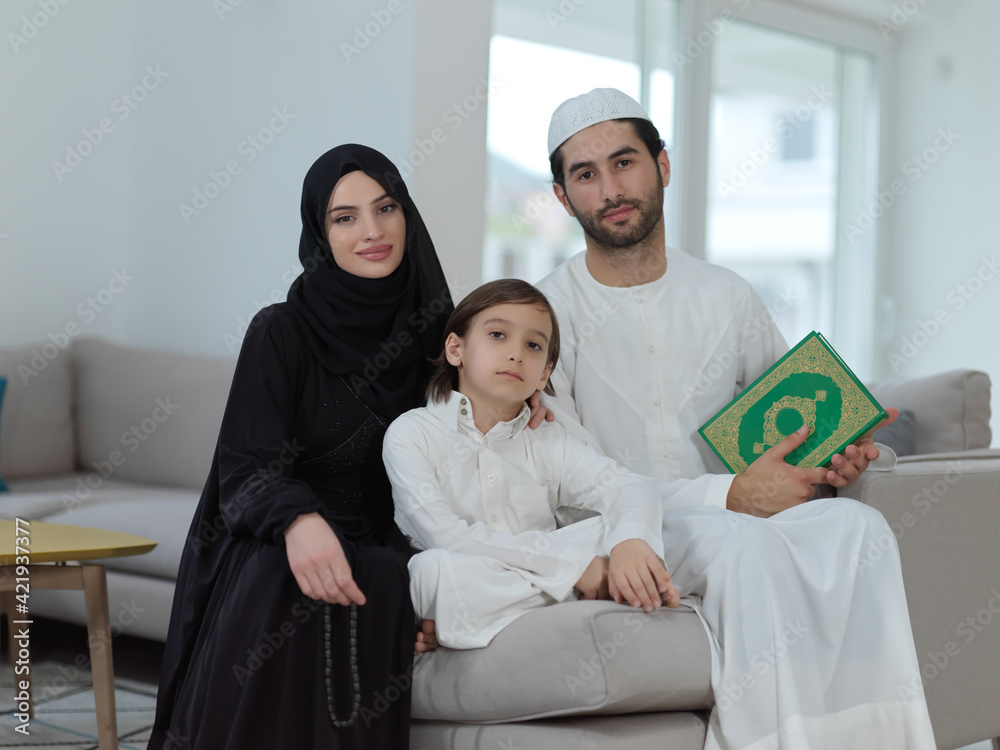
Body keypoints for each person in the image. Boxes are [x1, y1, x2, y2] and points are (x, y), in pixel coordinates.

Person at [535, 89, 937, 748]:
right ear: (562, 197)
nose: (610, 188)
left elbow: (784, 426)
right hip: (622, 529)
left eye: (625, 162)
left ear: (663, 165)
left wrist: (829, 463)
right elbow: (569, 482)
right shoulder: (544, 315)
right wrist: (735, 494)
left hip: (736, 516)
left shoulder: (727, 294)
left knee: (860, 529)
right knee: (746, 546)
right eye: (585, 174)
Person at [148, 144, 456, 750]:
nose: (371, 231)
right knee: (288, 574)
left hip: (388, 548)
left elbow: (473, 444)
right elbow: (244, 470)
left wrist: (529, 399)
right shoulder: (280, 331)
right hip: (280, 538)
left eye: (386, 208)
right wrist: (298, 519)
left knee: (387, 575)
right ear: (320, 232)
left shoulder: (444, 337)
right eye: (345, 218)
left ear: (406, 216)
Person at [384, 279, 727, 649]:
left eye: (533, 345)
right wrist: (575, 567)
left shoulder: (549, 440)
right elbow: (446, 537)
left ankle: (479, 615)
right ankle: (585, 588)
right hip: (463, 569)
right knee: (431, 570)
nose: (516, 353)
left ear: (544, 374)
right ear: (456, 348)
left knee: (648, 526)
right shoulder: (410, 433)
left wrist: (630, 542)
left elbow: (628, 487)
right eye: (498, 334)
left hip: (491, 588)